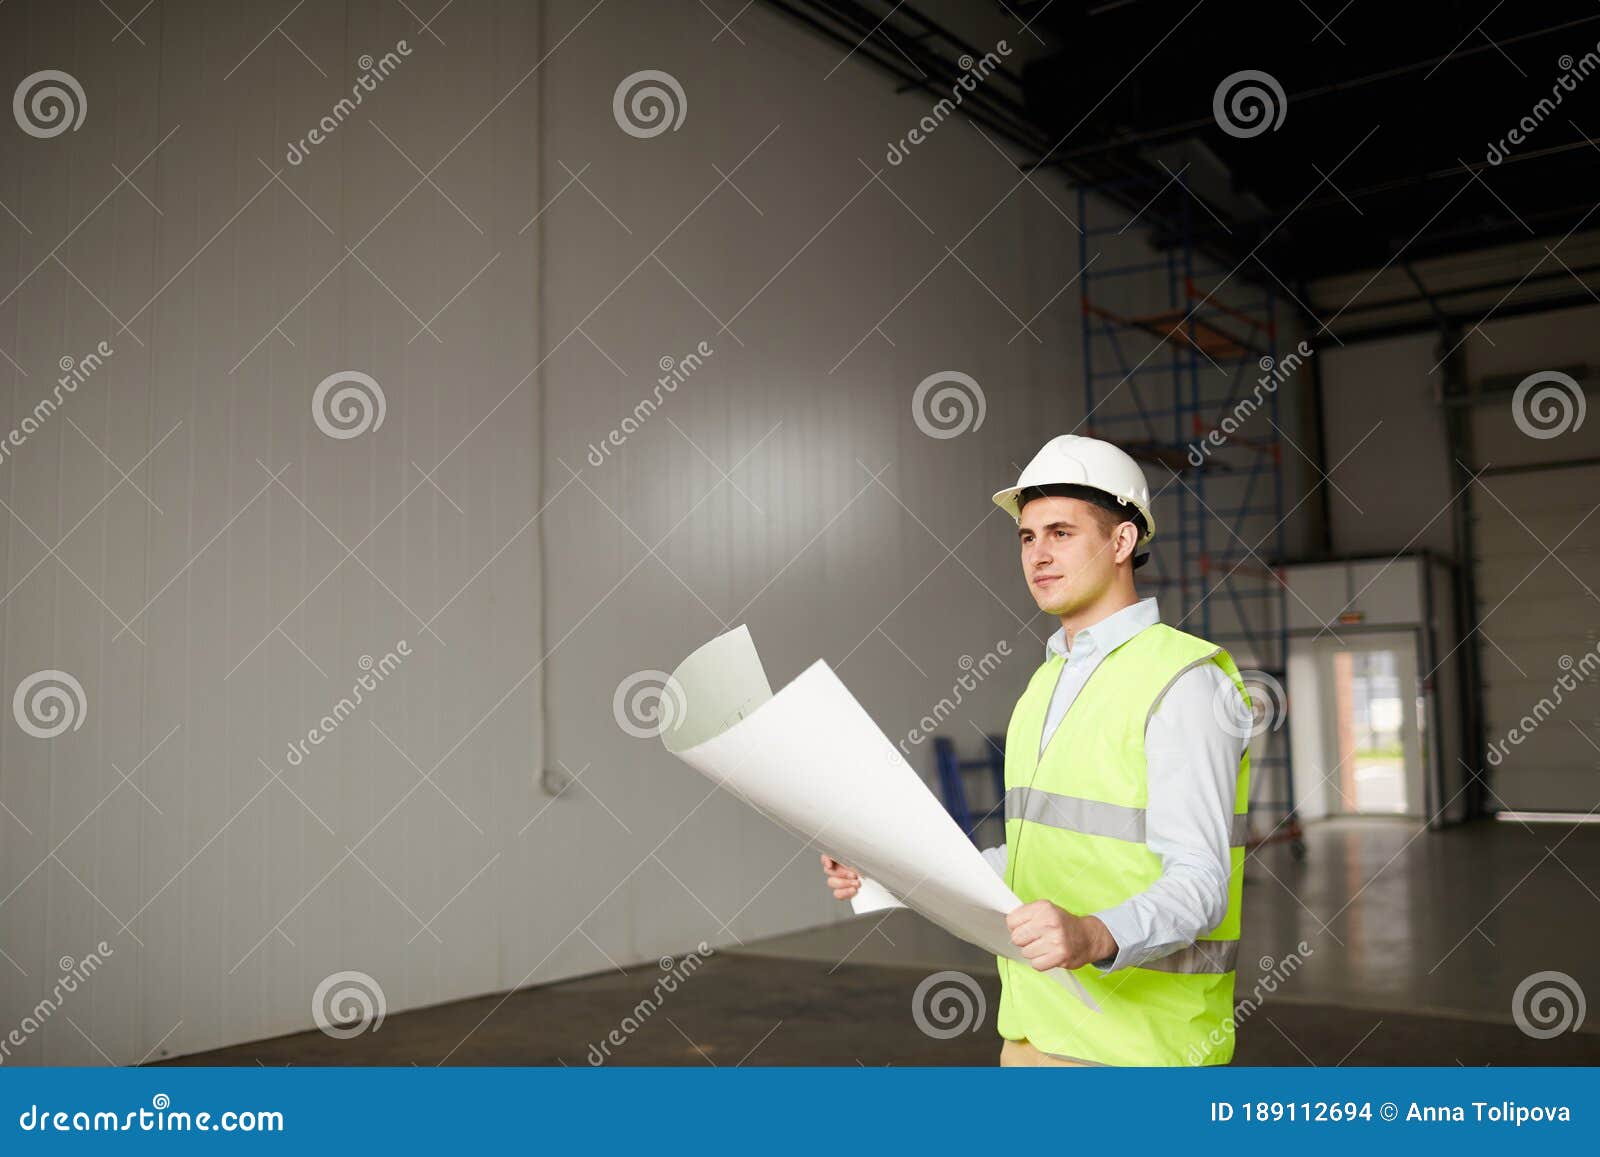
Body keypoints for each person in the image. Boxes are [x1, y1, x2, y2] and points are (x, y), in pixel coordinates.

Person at [822, 434, 1253, 1066]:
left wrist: (1092, 934)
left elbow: (1200, 884)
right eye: (1027, 537)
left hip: (1140, 1053)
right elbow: (1028, 861)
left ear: (1122, 542)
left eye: (1061, 533)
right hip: (1033, 1031)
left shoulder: (1184, 681)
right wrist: (886, 871)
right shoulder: (1045, 684)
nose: (1038, 556)